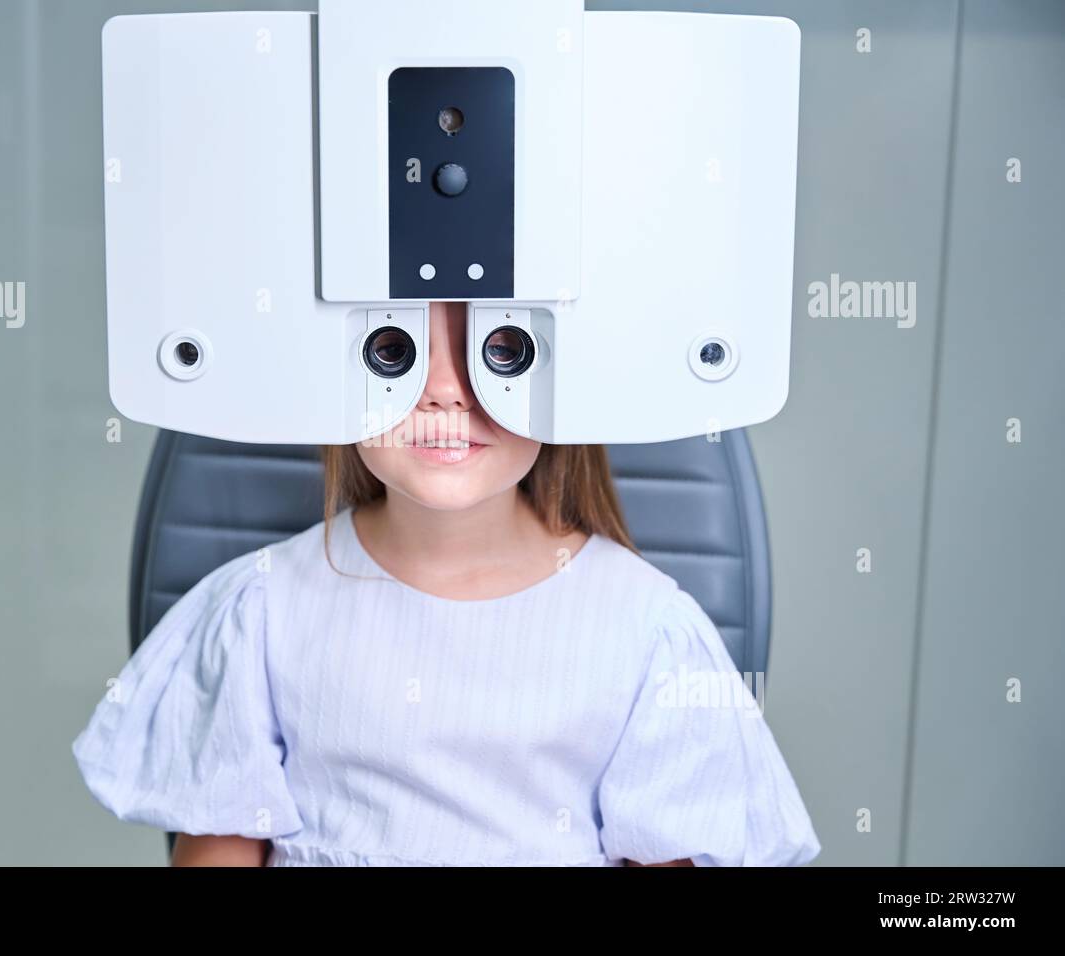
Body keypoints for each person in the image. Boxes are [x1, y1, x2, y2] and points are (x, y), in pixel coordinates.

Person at [72, 301, 821, 867]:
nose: (443, 390)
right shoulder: (263, 605)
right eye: (394, 349)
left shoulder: (645, 626)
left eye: (497, 349)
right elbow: (222, 844)